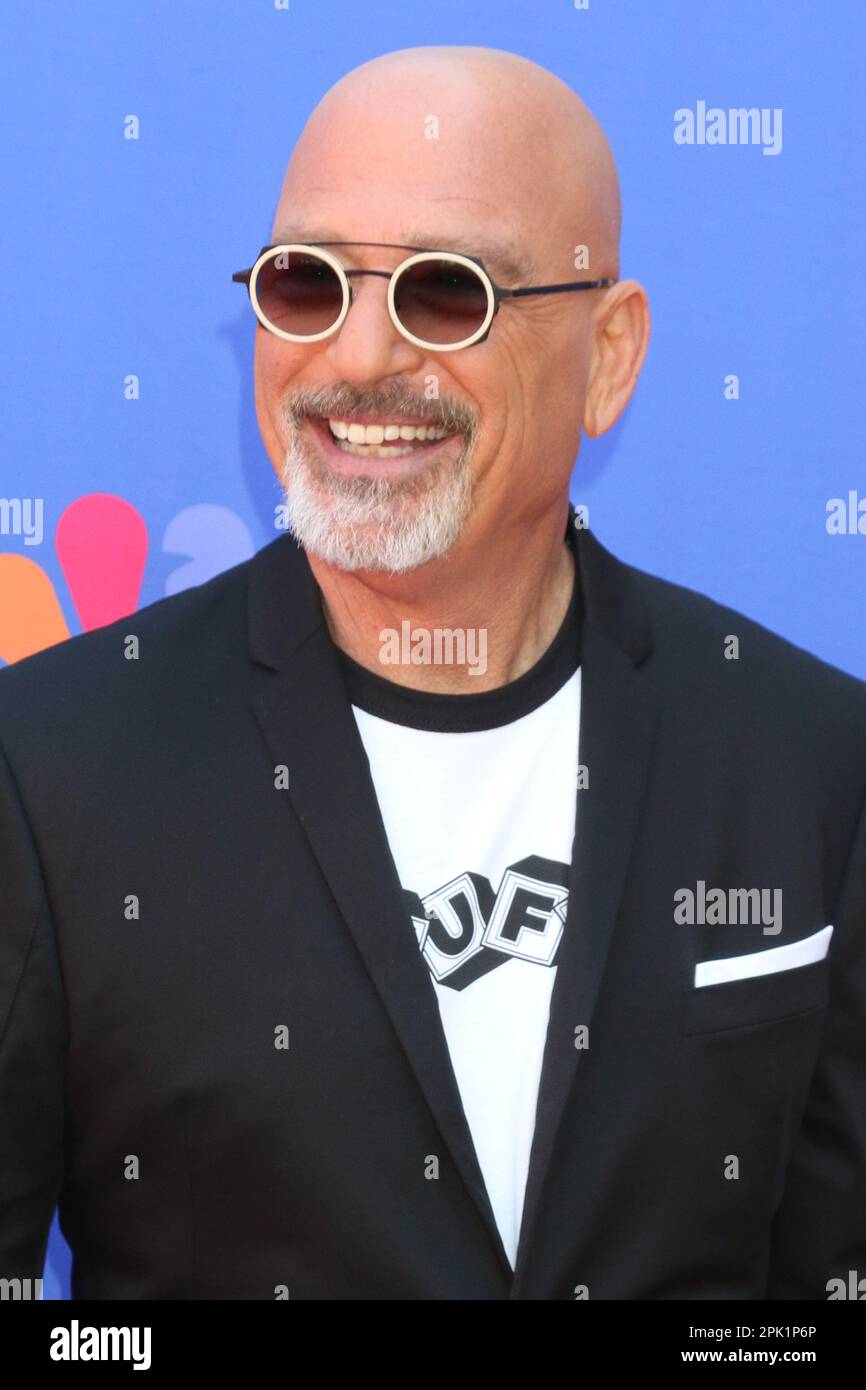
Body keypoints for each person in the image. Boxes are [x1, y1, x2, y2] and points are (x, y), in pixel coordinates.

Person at [1, 45, 864, 1301]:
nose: (354, 361)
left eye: (444, 293)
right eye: (306, 284)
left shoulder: (805, 756)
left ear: (609, 352)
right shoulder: (51, 767)